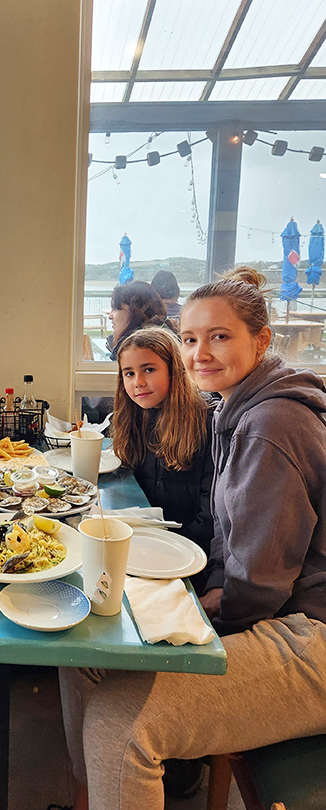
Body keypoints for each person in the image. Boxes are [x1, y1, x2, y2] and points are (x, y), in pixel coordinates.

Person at [73, 267, 326, 810]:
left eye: (220, 336)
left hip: (310, 632)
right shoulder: (240, 412)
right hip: (285, 609)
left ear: (262, 340)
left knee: (118, 723)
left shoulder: (271, 425)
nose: (200, 353)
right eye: (190, 338)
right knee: (94, 646)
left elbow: (258, 583)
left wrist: (195, 614)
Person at [112, 327, 214, 556]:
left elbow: (210, 514)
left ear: (174, 370)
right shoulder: (136, 415)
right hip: (145, 535)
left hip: (188, 548)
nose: (138, 382)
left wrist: (171, 548)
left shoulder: (206, 422)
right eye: (128, 373)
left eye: (148, 369)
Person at [106, 280, 176, 361]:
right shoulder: (164, 339)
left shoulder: (141, 348)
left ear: (134, 313)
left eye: (115, 309)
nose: (110, 316)